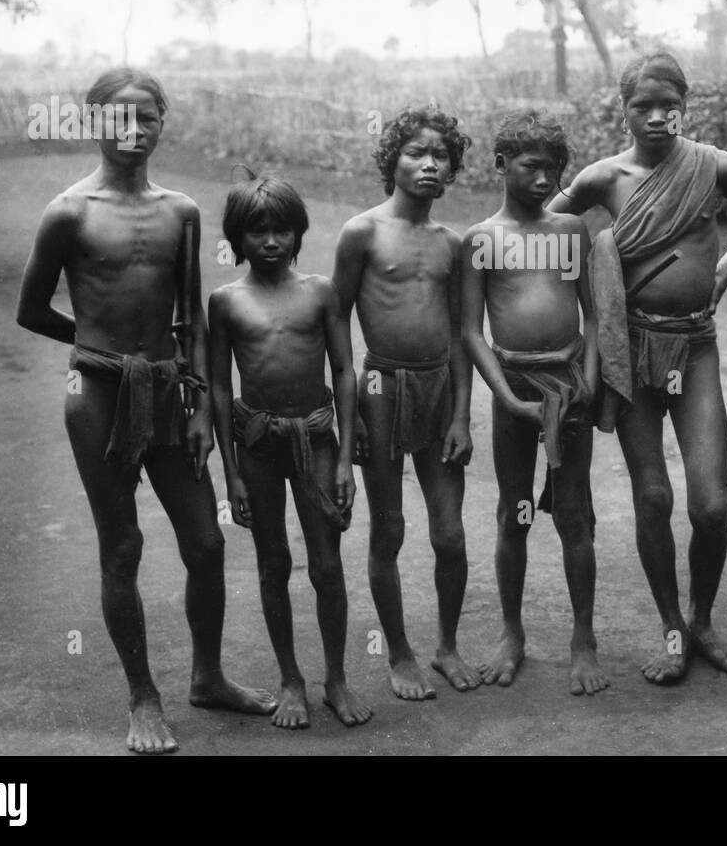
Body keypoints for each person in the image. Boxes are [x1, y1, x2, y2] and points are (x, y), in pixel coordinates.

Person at [15, 68, 274, 755]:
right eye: (118, 117)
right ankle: (142, 696)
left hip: (167, 388)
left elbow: (190, 314)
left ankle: (208, 674)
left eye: (147, 118)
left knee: (208, 543)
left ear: (164, 123)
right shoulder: (67, 211)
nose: (133, 130)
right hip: (96, 394)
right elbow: (30, 308)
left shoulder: (182, 211)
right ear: (94, 122)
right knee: (122, 545)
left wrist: (193, 404)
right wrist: (95, 349)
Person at [551, 52, 727, 684]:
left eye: (668, 105)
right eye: (642, 106)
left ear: (687, 106)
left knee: (710, 507)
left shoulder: (714, 167)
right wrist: (570, 296)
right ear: (622, 110)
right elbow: (547, 225)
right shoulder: (603, 179)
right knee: (653, 497)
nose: (656, 117)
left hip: (695, 346)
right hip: (634, 350)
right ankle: (673, 628)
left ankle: (704, 619)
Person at [208, 173, 372, 729]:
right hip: (256, 443)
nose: (271, 242)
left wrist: (347, 456)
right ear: (237, 239)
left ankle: (337, 679)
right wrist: (230, 474)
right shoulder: (226, 302)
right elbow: (220, 388)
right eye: (258, 232)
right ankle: (291, 680)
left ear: (298, 233)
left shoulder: (320, 291)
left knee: (327, 564)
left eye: (282, 229)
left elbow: (346, 371)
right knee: (272, 561)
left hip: (317, 437)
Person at [333, 105, 480, 700]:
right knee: (388, 529)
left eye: (440, 155)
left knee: (450, 535)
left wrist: (464, 415)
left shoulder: (453, 242)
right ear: (390, 159)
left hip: (440, 388)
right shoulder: (362, 232)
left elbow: (462, 333)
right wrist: (351, 421)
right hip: (380, 389)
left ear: (453, 169)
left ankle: (446, 645)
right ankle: (399, 654)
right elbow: (335, 328)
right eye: (415, 153)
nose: (428, 164)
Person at [461, 110, 607, 695]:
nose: (544, 179)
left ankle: (583, 637)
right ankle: (512, 633)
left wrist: (590, 383)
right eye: (530, 166)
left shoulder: (571, 231)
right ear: (500, 165)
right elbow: (472, 331)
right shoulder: (482, 239)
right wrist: (506, 397)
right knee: (513, 511)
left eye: (553, 169)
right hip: (513, 388)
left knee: (574, 514)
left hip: (569, 383)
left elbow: (593, 317)